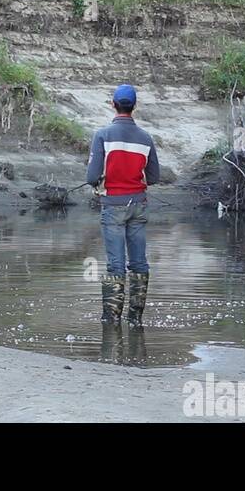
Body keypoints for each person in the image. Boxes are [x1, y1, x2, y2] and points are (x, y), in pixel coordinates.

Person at [85, 84, 160, 326]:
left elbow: (91, 176)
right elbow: (155, 177)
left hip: (113, 206)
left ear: (113, 105)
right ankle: (135, 319)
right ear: (134, 107)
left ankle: (111, 320)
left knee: (115, 263)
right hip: (138, 204)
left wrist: (100, 180)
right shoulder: (146, 138)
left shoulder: (103, 135)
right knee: (139, 262)